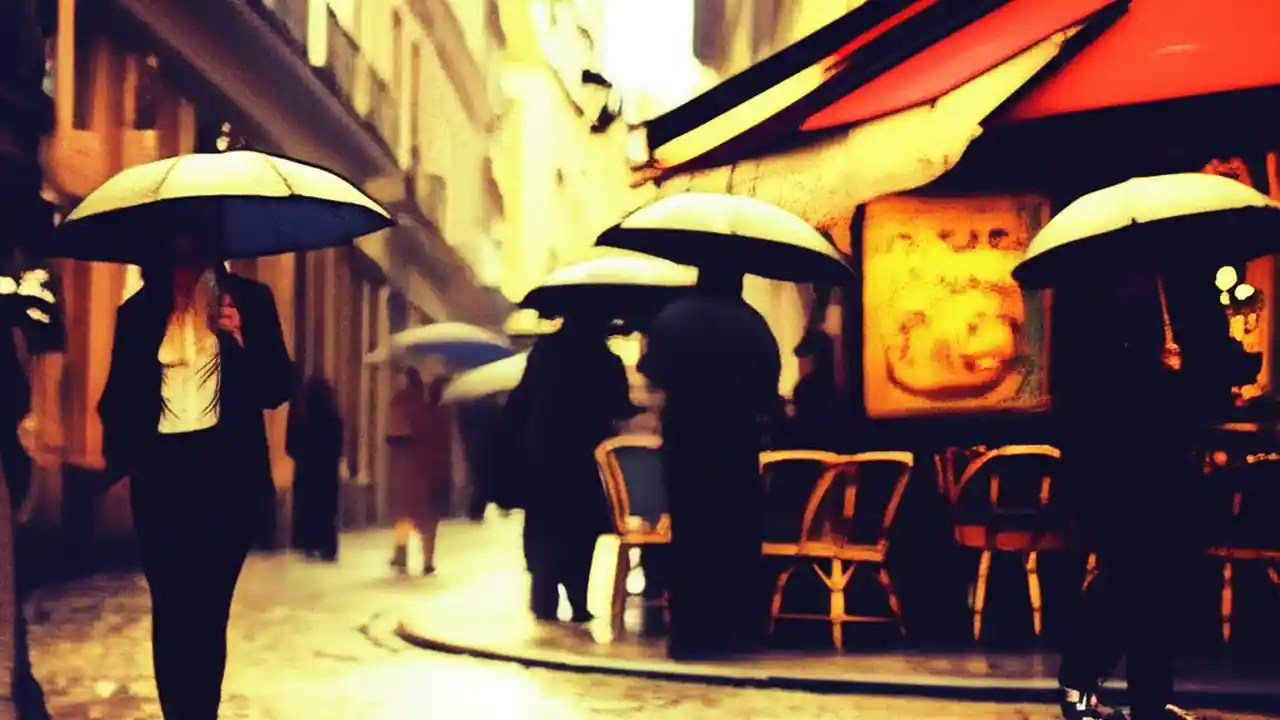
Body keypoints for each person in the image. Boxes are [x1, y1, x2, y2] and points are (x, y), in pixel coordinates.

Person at [98, 213, 293, 720]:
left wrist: (241, 342)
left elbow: (276, 387)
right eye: (176, 258)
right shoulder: (138, 314)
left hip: (228, 482)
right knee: (170, 609)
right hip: (163, 480)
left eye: (194, 257)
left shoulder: (249, 302)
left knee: (207, 613)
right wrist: (121, 466)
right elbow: (115, 400)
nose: (185, 270)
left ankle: (199, 712)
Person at [1053, 265, 1254, 720]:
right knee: (1127, 576)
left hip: (1168, 463)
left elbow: (1211, 371)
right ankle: (1079, 677)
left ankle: (1150, 697)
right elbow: (1084, 385)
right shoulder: (1097, 295)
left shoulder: (1182, 288)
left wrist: (1195, 371)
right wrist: (1158, 372)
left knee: (1159, 583)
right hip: (1115, 462)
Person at [639, 269, 783, 659]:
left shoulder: (673, 317)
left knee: (689, 532)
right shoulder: (752, 321)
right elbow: (768, 383)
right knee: (735, 532)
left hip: (686, 437)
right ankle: (736, 631)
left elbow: (652, 370)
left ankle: (690, 635)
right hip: (736, 437)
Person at [508, 315, 636, 622]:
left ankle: (543, 596)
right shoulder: (606, 361)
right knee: (581, 532)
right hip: (585, 459)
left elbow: (523, 400)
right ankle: (578, 598)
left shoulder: (544, 352)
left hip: (543, 456)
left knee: (544, 527)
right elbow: (619, 407)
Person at [387, 369, 452, 575]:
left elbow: (397, 435)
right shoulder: (442, 414)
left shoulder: (413, 410)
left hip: (413, 471)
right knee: (429, 519)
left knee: (406, 513)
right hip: (433, 471)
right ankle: (427, 560)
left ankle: (402, 552)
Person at [287, 376, 343, 562]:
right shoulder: (333, 418)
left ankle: (309, 544)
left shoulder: (303, 418)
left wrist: (302, 456)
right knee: (326, 509)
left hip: (307, 470)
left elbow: (291, 444)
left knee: (308, 506)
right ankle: (328, 547)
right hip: (327, 472)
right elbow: (338, 445)